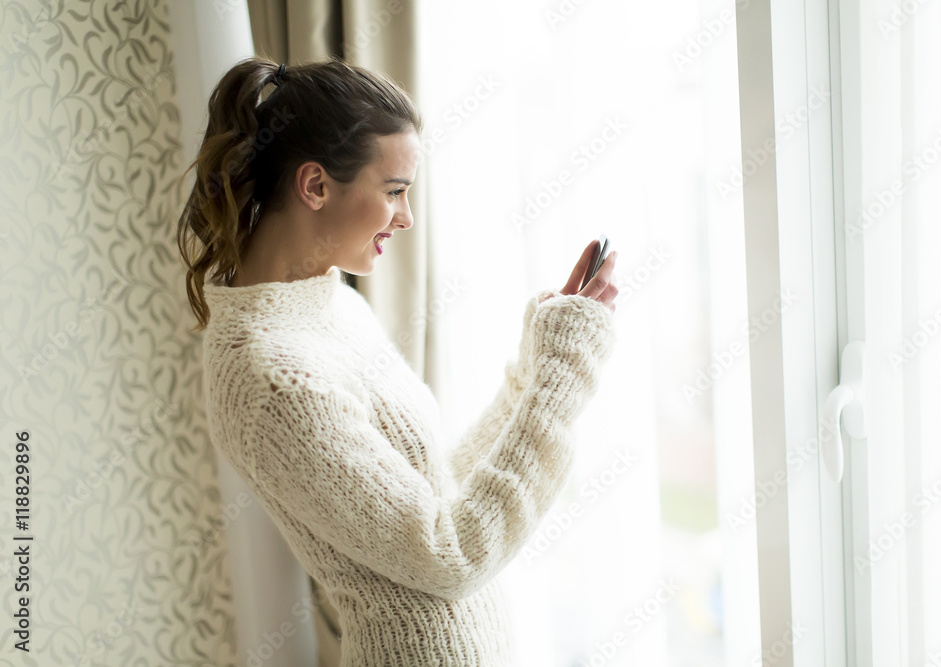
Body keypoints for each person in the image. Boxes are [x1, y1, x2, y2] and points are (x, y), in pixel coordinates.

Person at [176, 55, 619, 666]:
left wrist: (535, 372)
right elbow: (449, 554)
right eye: (393, 192)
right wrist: (561, 381)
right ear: (315, 185)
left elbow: (433, 493)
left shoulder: (333, 306)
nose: (406, 217)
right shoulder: (268, 376)